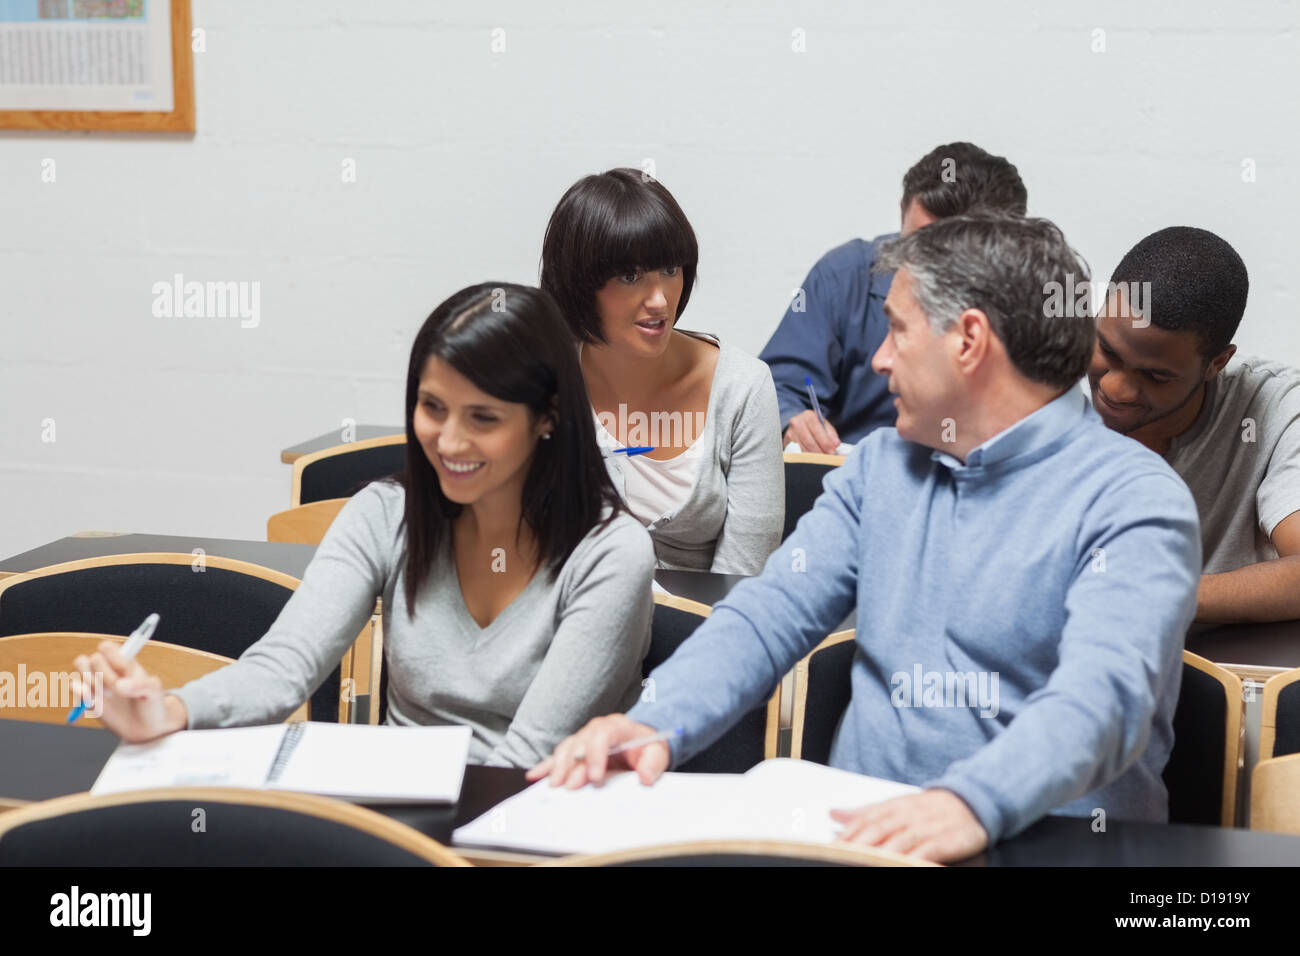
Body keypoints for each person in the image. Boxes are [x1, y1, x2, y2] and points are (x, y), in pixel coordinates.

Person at [528, 216, 1202, 864]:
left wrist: (971, 803)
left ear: (968, 341)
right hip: (865, 845)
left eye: (896, 332)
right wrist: (654, 720)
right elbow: (770, 616)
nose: (878, 361)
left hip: (1051, 848)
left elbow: (1107, 697)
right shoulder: (884, 466)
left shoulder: (1135, 499)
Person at [73, 283, 655, 768]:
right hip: (397, 813)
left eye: (483, 418)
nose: (449, 441)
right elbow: (281, 670)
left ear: (548, 419)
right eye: (432, 408)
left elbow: (526, 757)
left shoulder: (611, 555)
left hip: (527, 827)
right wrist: (167, 712)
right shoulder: (385, 513)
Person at [541, 168, 784, 575]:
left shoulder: (743, 387)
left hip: (703, 629)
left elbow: (743, 576)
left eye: (670, 271)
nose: (659, 300)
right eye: (630, 276)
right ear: (579, 283)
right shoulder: (545, 374)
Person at [1088, 226, 1300, 623]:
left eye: (1156, 377)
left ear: (1216, 363)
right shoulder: (1035, 392)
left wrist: (1157, 598)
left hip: (1226, 675)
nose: (1116, 389)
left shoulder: (1276, 408)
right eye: (1108, 352)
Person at [760, 142, 1028, 453]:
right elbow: (777, 388)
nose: (931, 270)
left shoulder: (1029, 302)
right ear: (903, 212)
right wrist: (792, 420)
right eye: (918, 246)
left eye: (951, 255)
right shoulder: (845, 277)